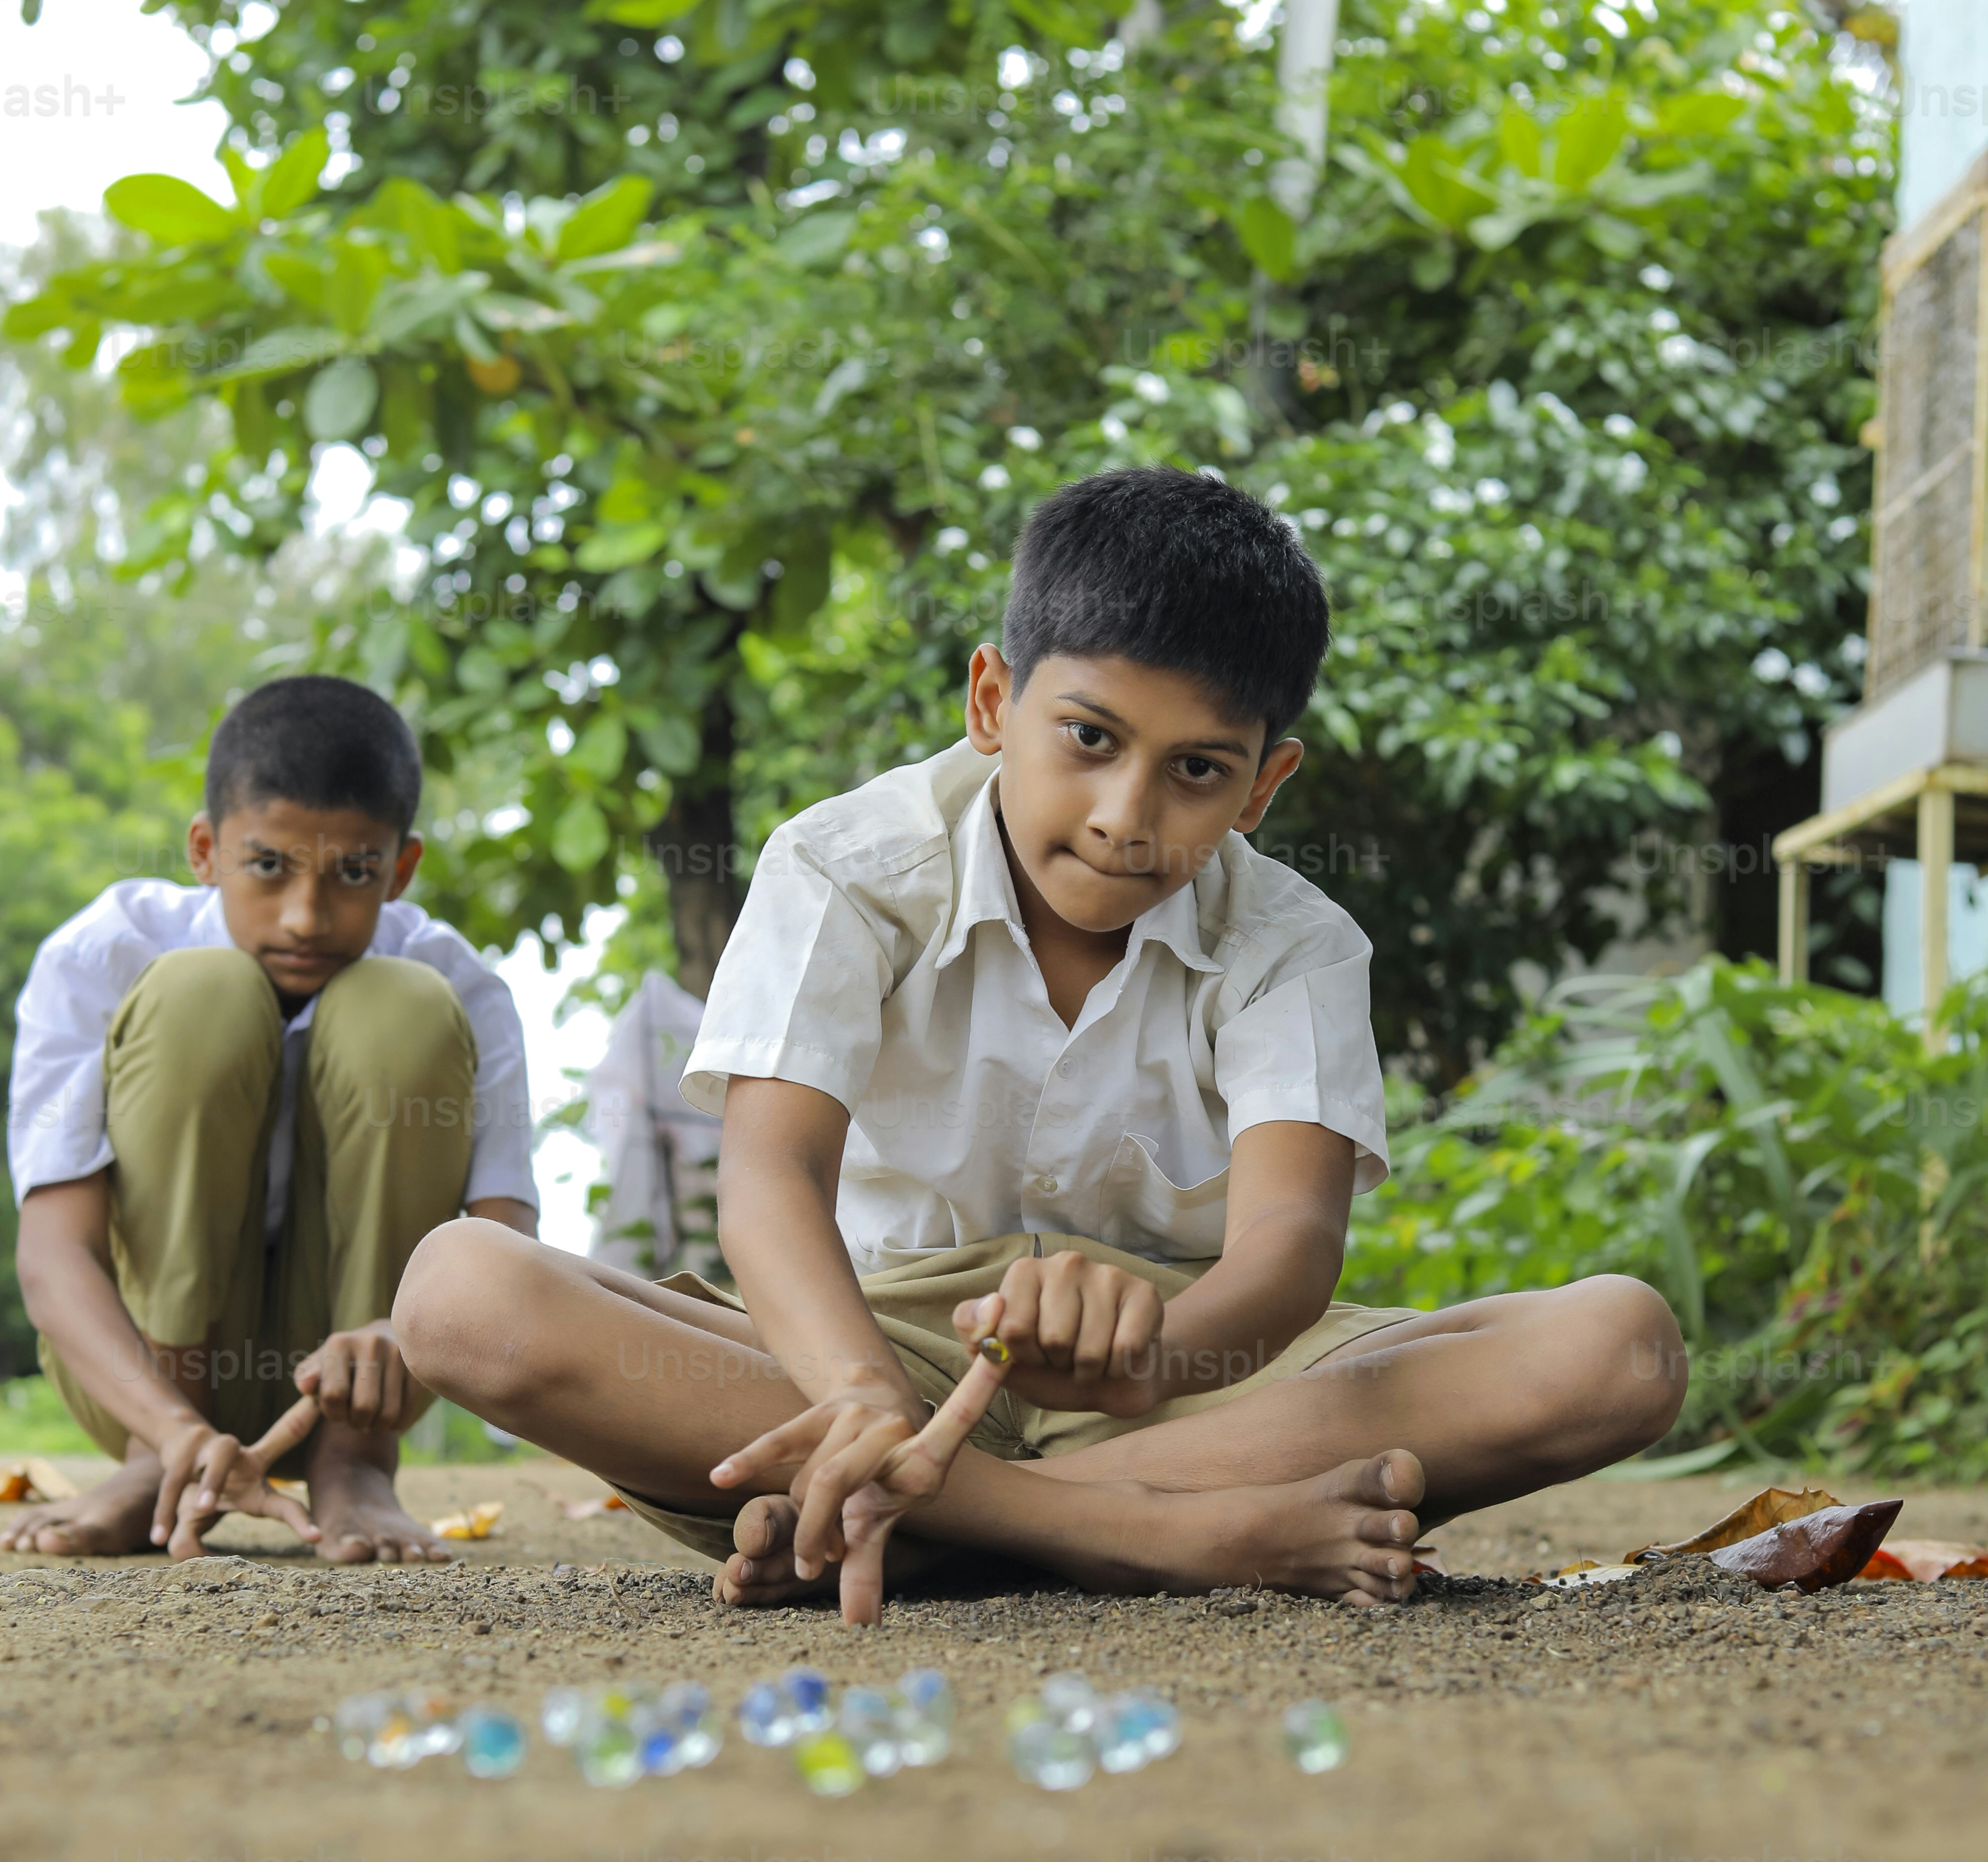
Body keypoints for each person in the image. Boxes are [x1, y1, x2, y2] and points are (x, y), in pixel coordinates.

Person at [392, 468, 1686, 1620]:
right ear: (992, 699)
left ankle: (922, 1528)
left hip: (1191, 1380)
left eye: (1196, 772)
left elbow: (1287, 1248)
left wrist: (1152, 1359)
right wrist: (852, 1396)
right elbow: (769, 1178)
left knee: (1618, 1346)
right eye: (1088, 740)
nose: (1128, 816)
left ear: (1265, 784)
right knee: (461, 1288)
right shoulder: (845, 868)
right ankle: (1132, 1534)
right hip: (875, 1348)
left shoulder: (1296, 940)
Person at [1, 675, 537, 1562]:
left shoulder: (461, 987)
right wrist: (168, 1427)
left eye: (354, 873)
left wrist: (409, 1328)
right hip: (133, 1376)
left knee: (405, 1007)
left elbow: (507, 1250)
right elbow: (53, 1255)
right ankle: (157, 1463)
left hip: (366, 1375)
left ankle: (357, 1461)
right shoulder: (102, 954)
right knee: (200, 995)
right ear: (206, 850)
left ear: (401, 870)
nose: (306, 916)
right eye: (268, 867)